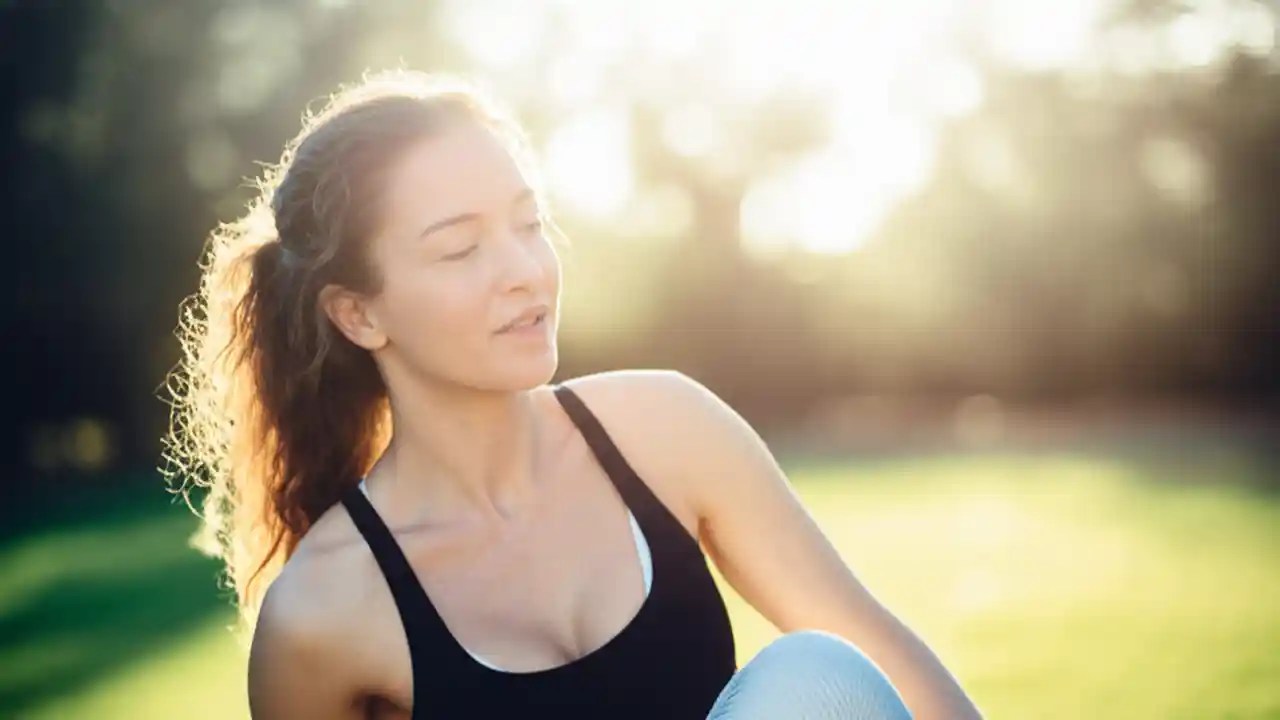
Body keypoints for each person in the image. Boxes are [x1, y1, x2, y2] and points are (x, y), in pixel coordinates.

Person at [164, 69, 983, 719]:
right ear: (358, 312)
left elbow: (888, 668)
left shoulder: (667, 430)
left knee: (816, 674)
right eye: (461, 250)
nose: (524, 270)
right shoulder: (322, 615)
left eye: (529, 224)